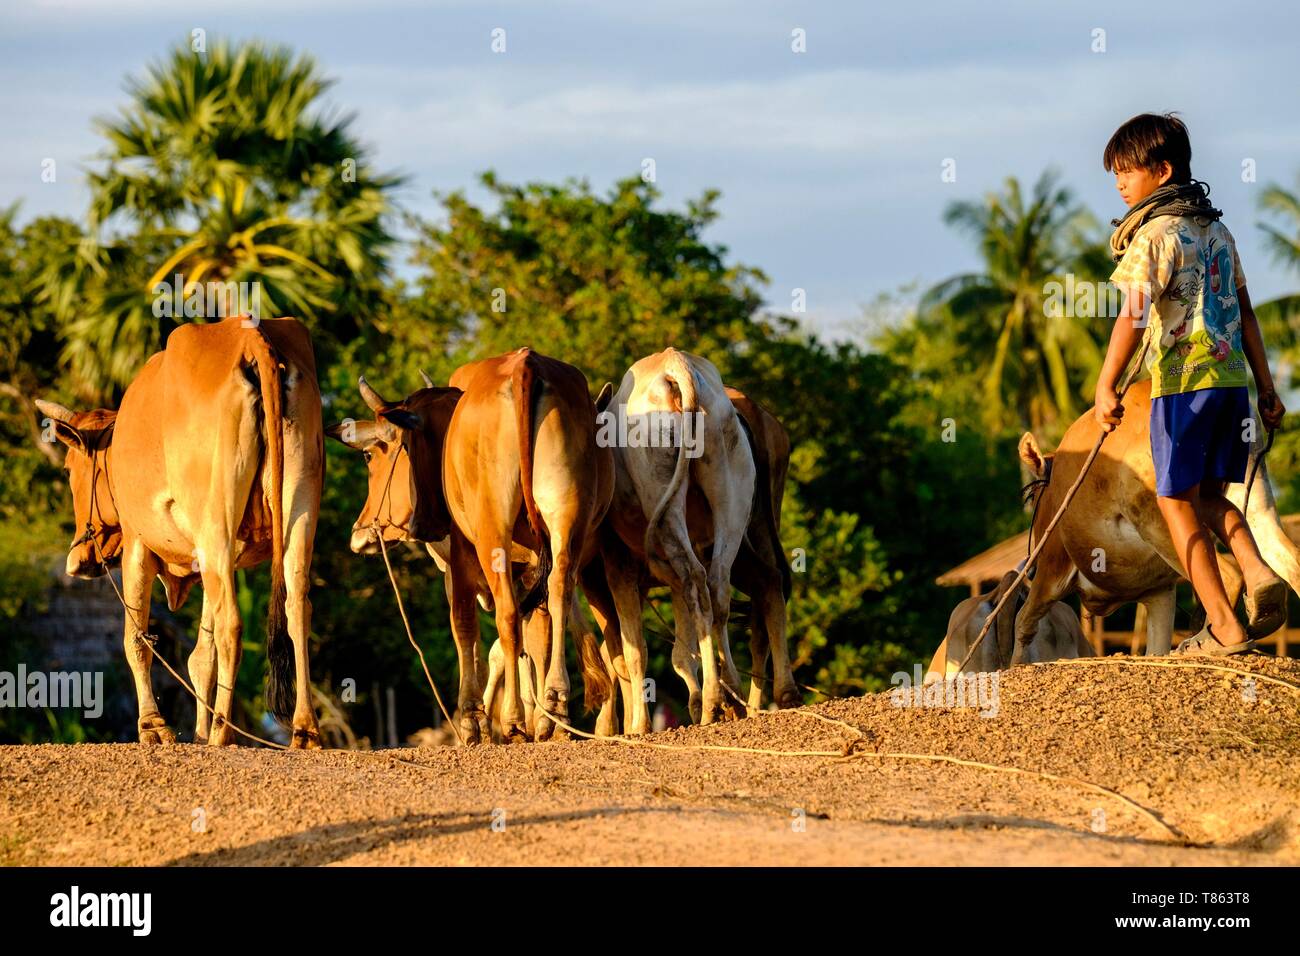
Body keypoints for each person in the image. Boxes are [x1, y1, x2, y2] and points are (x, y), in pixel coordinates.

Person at [1095, 112, 1287, 656]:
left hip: (1183, 386)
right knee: (1208, 497)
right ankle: (1254, 567)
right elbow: (1246, 314)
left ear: (1162, 170)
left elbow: (1132, 316)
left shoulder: (1155, 235)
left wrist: (1106, 384)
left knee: (1174, 503)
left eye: (1126, 171)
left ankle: (1224, 629)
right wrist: (1267, 388)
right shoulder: (1218, 232)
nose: (1119, 182)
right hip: (1231, 385)